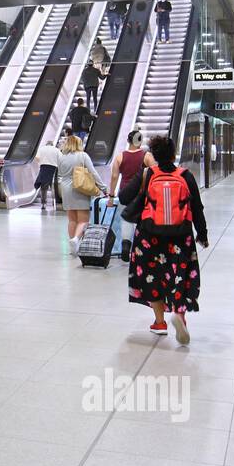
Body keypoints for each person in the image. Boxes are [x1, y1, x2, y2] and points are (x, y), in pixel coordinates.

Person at [122, 135, 208, 345]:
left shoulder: (148, 174)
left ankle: (159, 322)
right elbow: (197, 208)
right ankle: (179, 313)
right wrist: (202, 234)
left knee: (152, 276)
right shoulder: (185, 176)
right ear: (173, 154)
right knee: (178, 275)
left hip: (149, 237)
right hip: (180, 237)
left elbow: (124, 197)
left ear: (154, 155)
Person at [109, 129, 156, 259]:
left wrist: (111, 197)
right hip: (141, 193)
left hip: (125, 193)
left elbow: (114, 177)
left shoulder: (120, 156)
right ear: (139, 141)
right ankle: (142, 249)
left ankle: (125, 246)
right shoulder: (146, 156)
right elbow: (155, 173)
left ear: (128, 141)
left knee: (126, 219)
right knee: (142, 220)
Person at [55, 135, 108, 251]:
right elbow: (93, 173)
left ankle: (73, 245)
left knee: (72, 220)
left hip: (65, 189)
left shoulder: (61, 157)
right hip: (80, 188)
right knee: (83, 220)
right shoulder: (82, 156)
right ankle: (76, 239)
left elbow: (60, 174)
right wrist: (103, 188)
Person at [34, 137, 60, 209]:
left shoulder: (42, 149)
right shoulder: (56, 150)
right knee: (53, 187)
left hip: (44, 168)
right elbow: (61, 159)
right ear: (52, 145)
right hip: (53, 169)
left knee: (44, 188)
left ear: (46, 144)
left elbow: (37, 157)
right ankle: (54, 202)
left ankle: (43, 204)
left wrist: (40, 162)